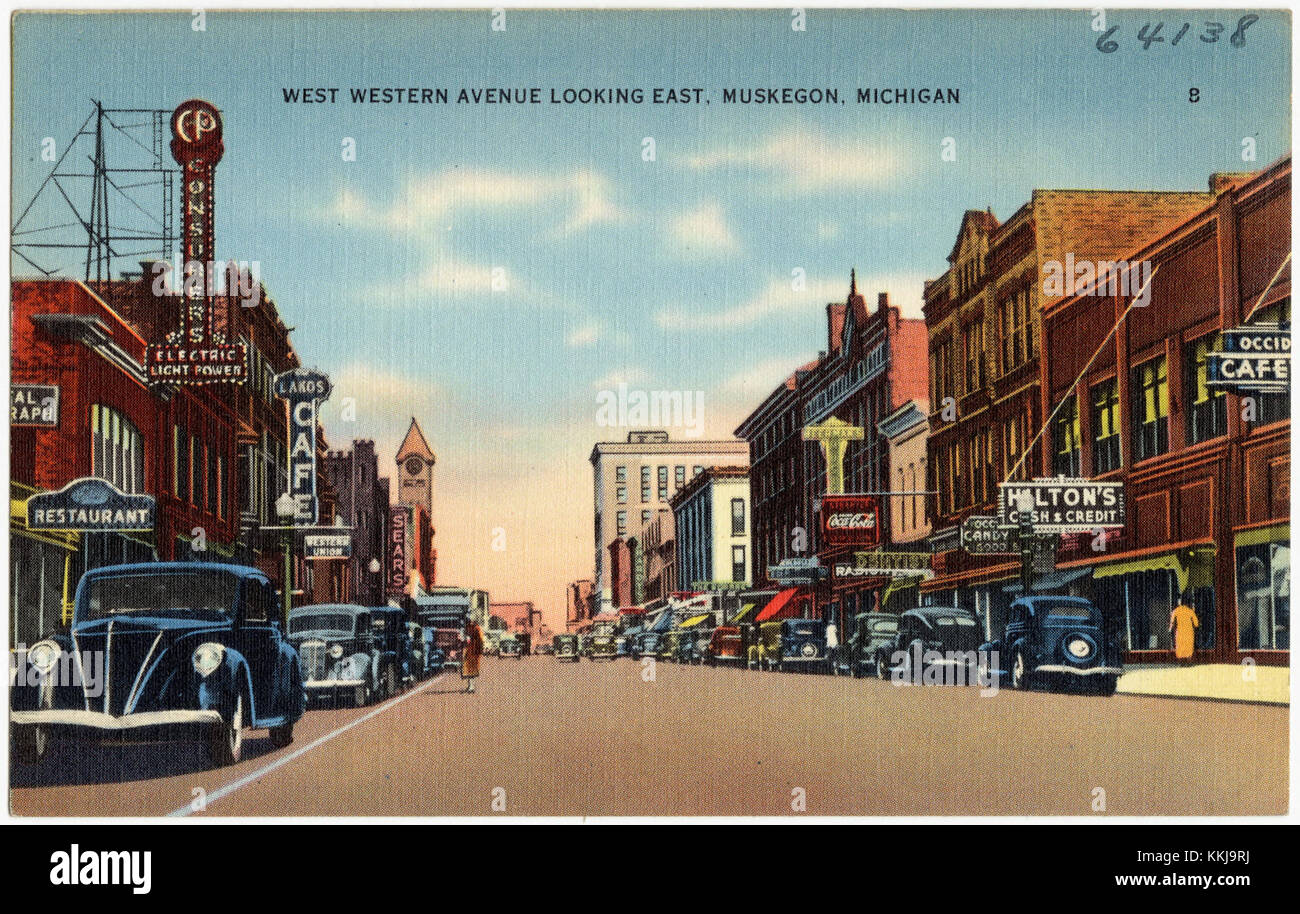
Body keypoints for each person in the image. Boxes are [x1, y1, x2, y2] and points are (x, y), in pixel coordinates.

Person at [1169, 593, 1200, 664]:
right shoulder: (1190, 611)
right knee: (1188, 645)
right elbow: (1196, 623)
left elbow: (1172, 622)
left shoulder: (1176, 611)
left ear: (1179, 602)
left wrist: (1170, 629)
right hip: (1189, 631)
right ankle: (1188, 660)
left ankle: (1181, 661)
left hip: (1180, 632)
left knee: (1180, 645)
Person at [461, 620, 485, 693]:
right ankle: (470, 686)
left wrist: (479, 651)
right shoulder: (467, 628)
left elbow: (480, 640)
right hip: (468, 651)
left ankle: (472, 687)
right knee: (467, 669)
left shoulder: (477, 628)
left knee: (472, 670)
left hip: (474, 651)